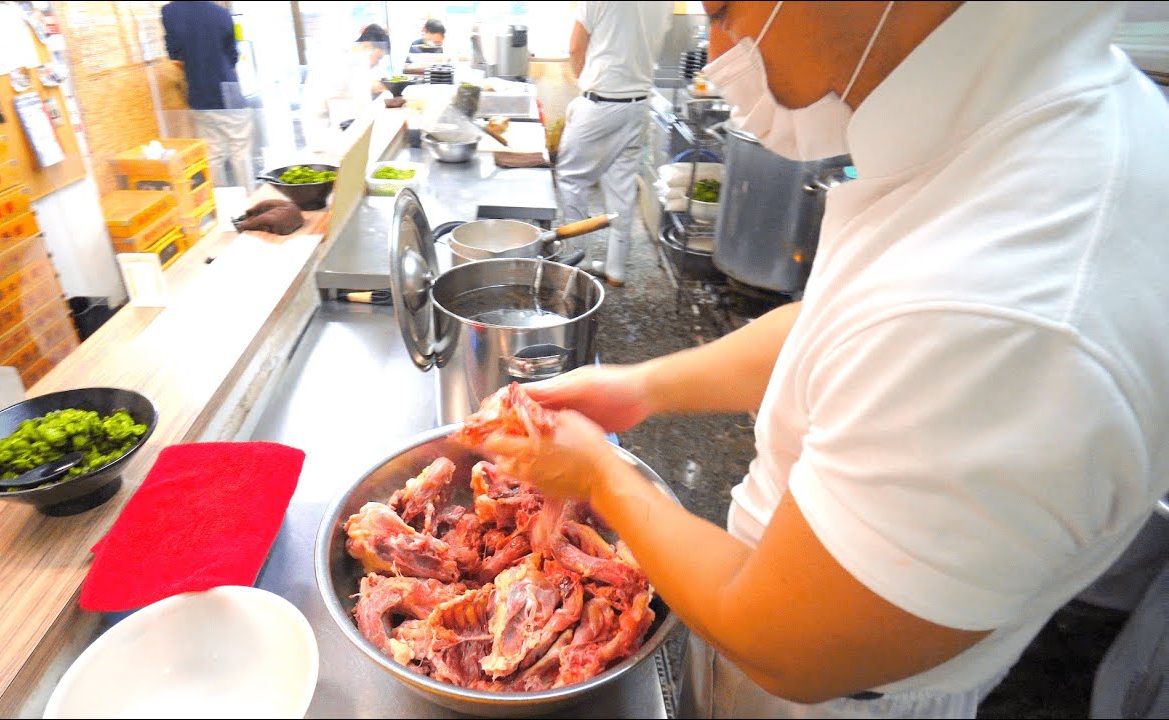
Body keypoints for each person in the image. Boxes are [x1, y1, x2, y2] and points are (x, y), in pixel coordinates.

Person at [479, 1, 1169, 718]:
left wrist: (600, 475)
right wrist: (641, 386)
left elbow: (783, 644)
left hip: (833, 690)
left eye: (724, 9)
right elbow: (834, 329)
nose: (718, 47)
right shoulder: (1013, 123)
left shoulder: (1012, 312)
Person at [555, 2, 673, 288]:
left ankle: (578, 261)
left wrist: (586, 84)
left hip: (601, 102)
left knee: (572, 180)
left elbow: (575, 48)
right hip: (638, 105)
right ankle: (616, 269)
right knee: (621, 187)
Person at [161, 0, 254, 189]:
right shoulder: (221, 13)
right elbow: (232, 55)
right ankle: (248, 200)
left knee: (213, 153)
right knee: (240, 151)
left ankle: (220, 202)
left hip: (198, 91)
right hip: (228, 86)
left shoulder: (170, 11)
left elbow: (175, 56)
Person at [301, 24, 390, 146]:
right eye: (378, 58)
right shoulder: (338, 59)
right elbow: (340, 97)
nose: (377, 64)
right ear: (367, 45)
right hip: (322, 130)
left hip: (337, 128)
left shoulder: (356, 61)